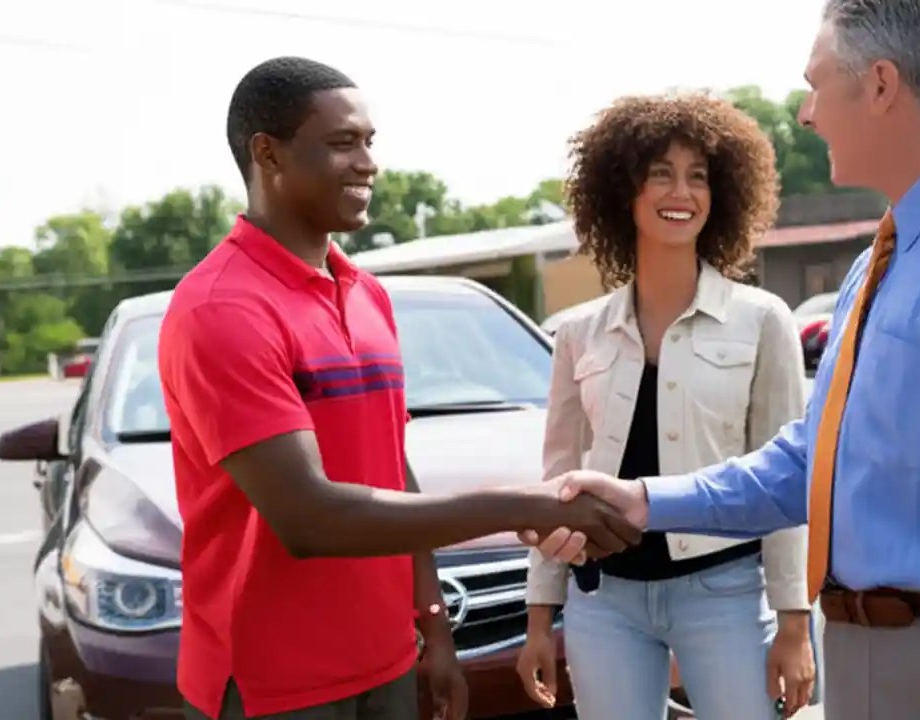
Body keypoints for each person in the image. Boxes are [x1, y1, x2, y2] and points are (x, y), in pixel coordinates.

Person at [524, 1, 920, 718]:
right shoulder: (885, 260)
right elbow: (815, 461)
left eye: (815, 83)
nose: (807, 113)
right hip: (866, 654)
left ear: (879, 86)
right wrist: (648, 501)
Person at [158, 56, 641, 720]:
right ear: (266, 153)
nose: (367, 163)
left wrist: (434, 626)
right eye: (341, 143)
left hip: (387, 663)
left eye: (369, 141)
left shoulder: (365, 293)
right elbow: (309, 518)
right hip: (273, 683)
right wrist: (525, 505)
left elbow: (392, 468)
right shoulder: (221, 309)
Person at [515, 95, 817, 720]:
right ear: (622, 188)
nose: (681, 191)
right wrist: (540, 618)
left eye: (698, 175)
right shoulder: (577, 334)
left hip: (727, 593)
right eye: (660, 172)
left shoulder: (763, 321)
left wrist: (793, 621)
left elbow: (791, 477)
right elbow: (558, 485)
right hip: (603, 600)